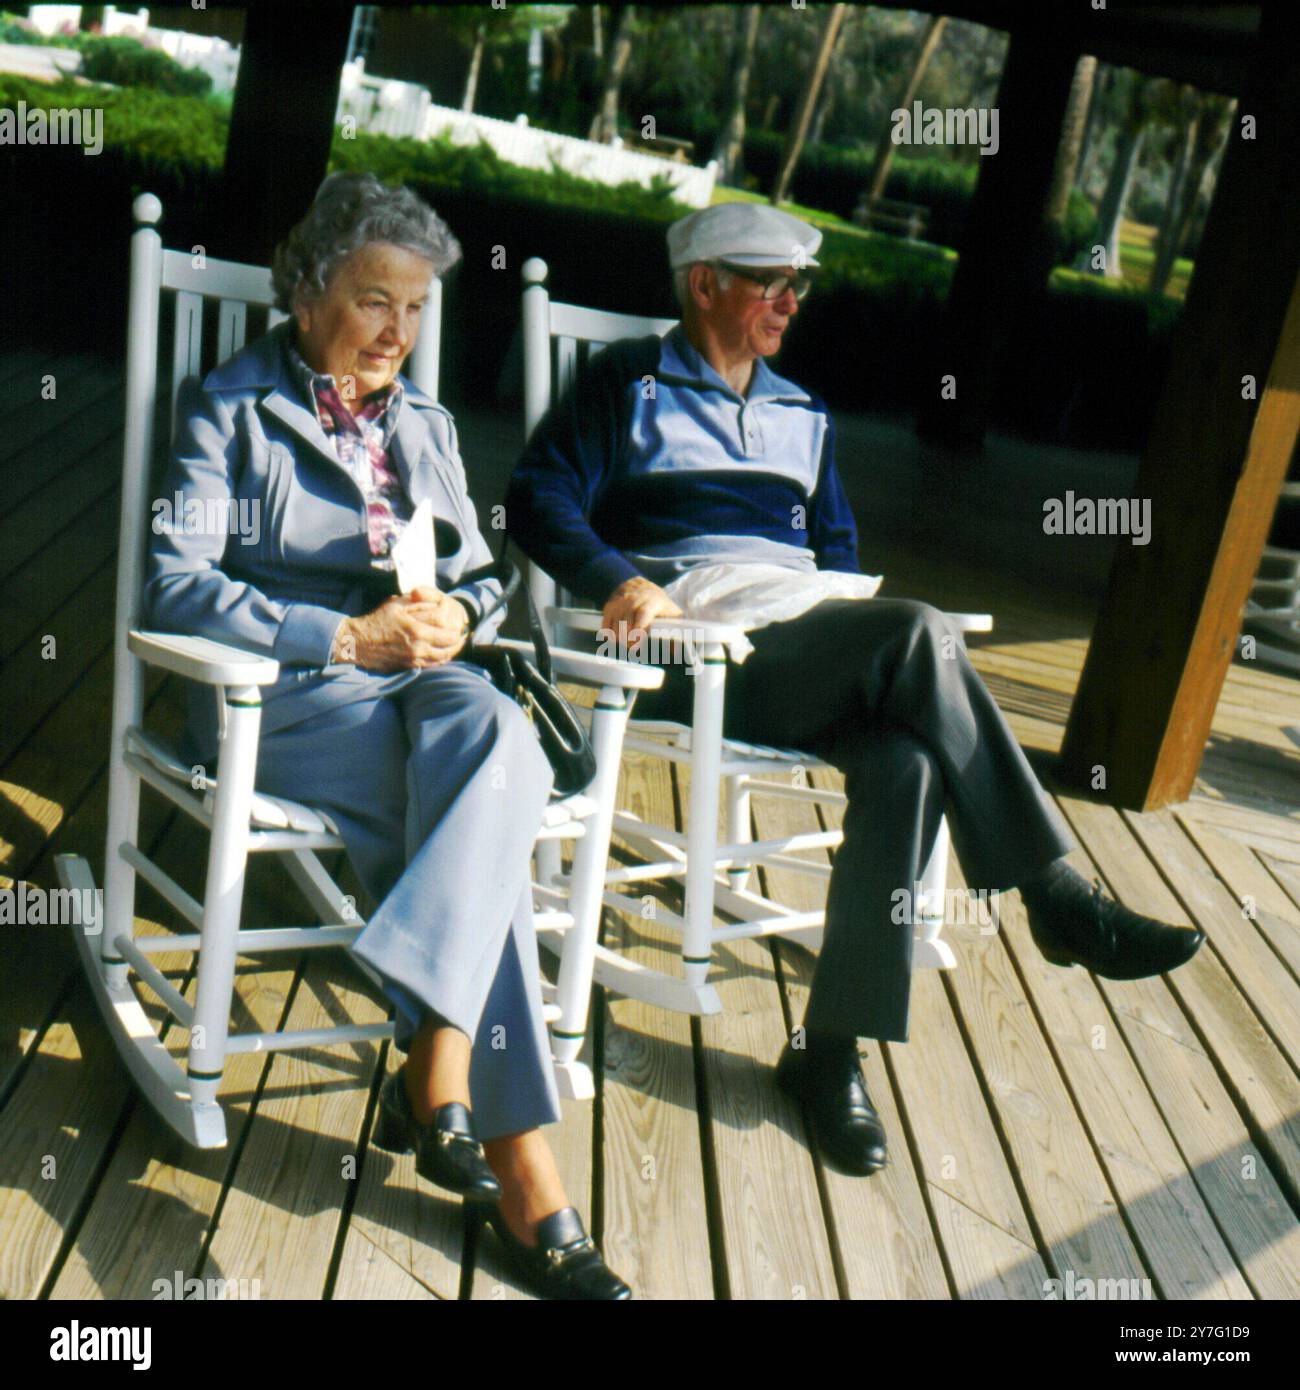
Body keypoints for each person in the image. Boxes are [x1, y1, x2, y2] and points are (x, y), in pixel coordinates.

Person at [504, 202, 1206, 1179]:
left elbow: (838, 556)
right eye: (769, 281)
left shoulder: (803, 413)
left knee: (907, 757)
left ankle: (828, 1052)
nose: (790, 300)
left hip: (798, 645)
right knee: (920, 634)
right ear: (703, 283)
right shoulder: (625, 385)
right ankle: (1052, 892)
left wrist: (827, 607)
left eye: (800, 285)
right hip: (689, 657)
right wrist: (619, 578)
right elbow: (535, 498)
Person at [144, 171, 628, 1299]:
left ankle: (438, 1054)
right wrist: (343, 637)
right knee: (491, 793)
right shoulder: (228, 411)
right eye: (375, 302)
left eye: (414, 310)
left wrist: (464, 609)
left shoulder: (423, 423)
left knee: (493, 735)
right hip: (285, 696)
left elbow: (479, 576)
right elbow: (175, 585)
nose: (397, 334)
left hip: (423, 686)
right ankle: (522, 1163)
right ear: (308, 294)